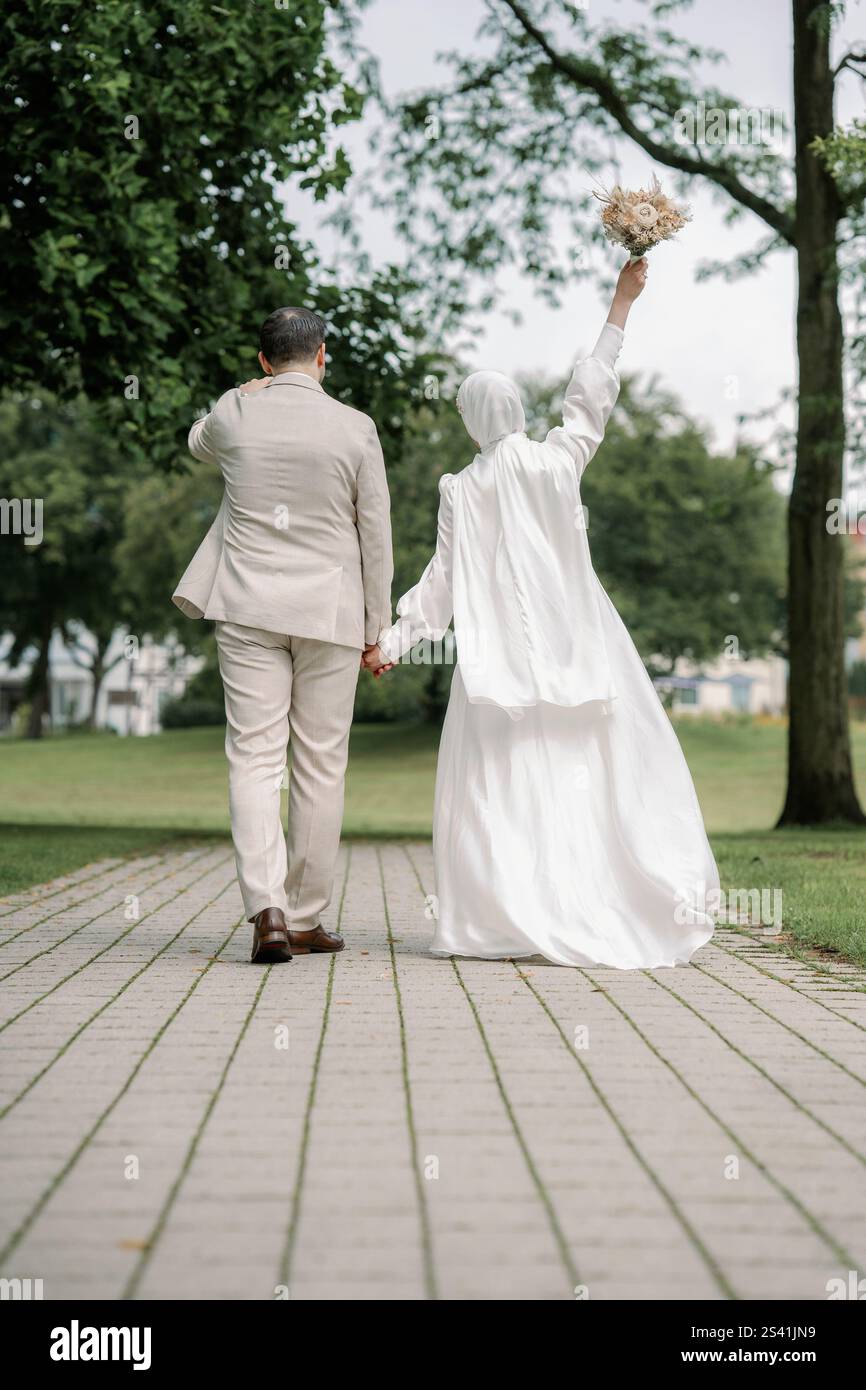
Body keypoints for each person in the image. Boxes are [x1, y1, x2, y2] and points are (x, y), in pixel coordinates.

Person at [364, 259, 718, 968]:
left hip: (499, 666)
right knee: (583, 781)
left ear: (470, 420)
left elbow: (442, 581)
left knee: (498, 790)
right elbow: (590, 398)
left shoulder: (461, 488)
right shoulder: (558, 462)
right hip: (579, 650)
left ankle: (504, 918)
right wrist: (622, 303)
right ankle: (586, 903)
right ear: (518, 412)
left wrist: (395, 642)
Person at [173, 307, 392, 963]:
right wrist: (375, 627)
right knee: (320, 763)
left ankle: (265, 909)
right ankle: (303, 916)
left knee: (254, 755)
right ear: (322, 355)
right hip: (330, 611)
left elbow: (195, 441)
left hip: (247, 605)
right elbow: (373, 533)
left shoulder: (235, 414)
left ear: (263, 361)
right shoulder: (356, 428)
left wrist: (241, 394)